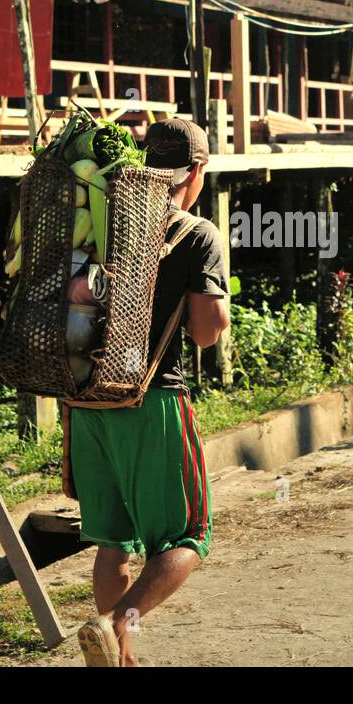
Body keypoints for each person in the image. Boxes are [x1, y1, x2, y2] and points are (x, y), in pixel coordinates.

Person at [65, 119, 230, 667]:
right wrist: (218, 310)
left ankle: (121, 662)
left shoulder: (101, 224)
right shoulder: (195, 232)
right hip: (151, 400)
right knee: (188, 538)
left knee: (115, 543)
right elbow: (206, 331)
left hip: (87, 404)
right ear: (198, 169)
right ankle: (115, 623)